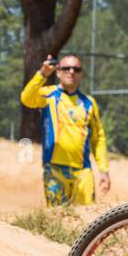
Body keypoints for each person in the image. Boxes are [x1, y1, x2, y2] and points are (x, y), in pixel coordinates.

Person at [20, 54, 111, 207]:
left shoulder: (89, 103)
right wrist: (42, 73)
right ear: (58, 72)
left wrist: (104, 171)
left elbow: (98, 138)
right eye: (66, 68)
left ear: (81, 74)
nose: (71, 72)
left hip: (83, 172)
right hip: (54, 169)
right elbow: (26, 98)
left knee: (87, 219)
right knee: (57, 217)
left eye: (76, 69)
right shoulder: (48, 95)